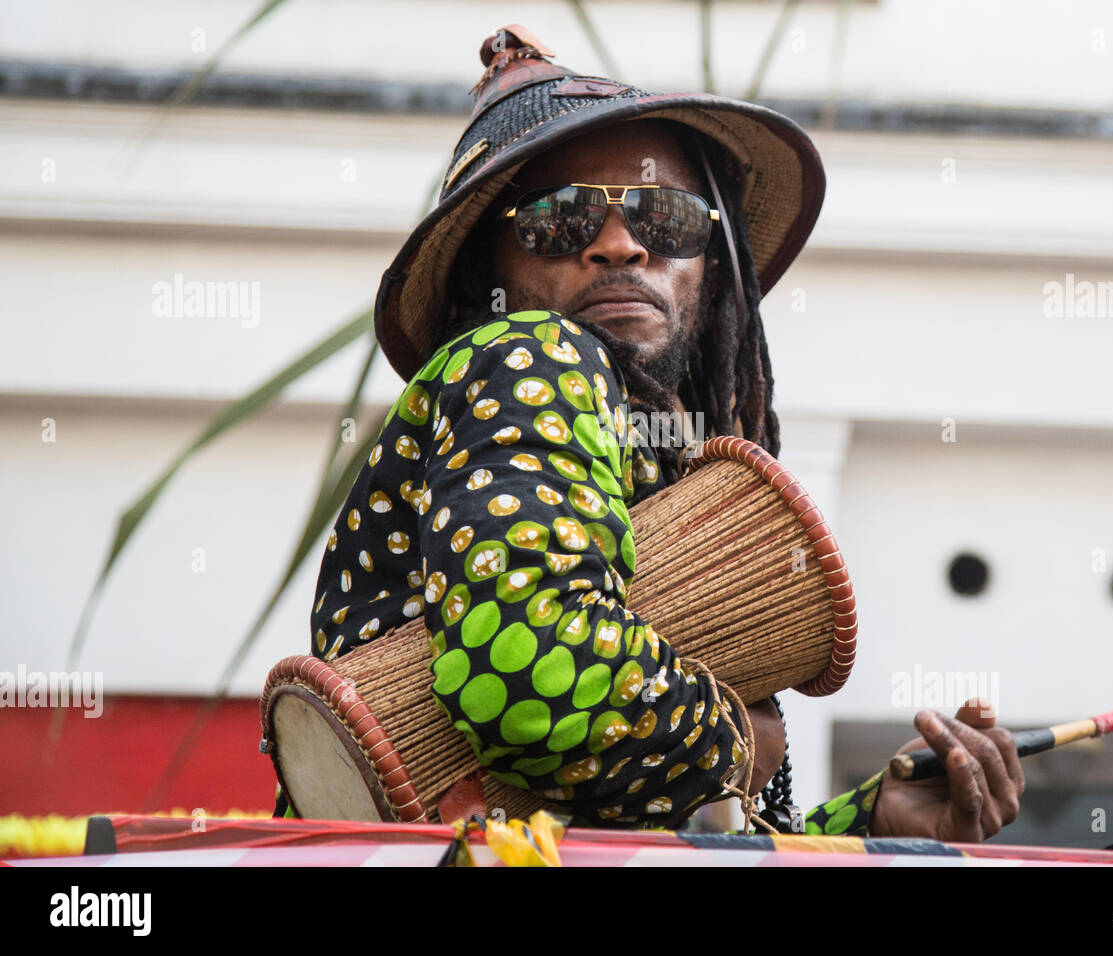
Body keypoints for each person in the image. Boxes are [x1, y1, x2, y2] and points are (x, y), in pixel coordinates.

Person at [301, 25, 1025, 839]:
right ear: (487, 271)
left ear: (711, 265)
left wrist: (876, 822)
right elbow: (536, 683)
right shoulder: (530, 354)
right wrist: (736, 743)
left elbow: (678, 840)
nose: (619, 243)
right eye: (560, 220)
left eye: (669, 216)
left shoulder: (657, 456)